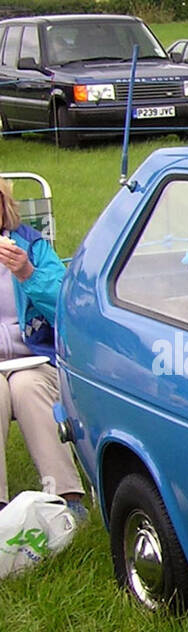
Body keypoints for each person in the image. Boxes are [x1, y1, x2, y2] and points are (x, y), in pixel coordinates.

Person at [0, 178, 87, 521]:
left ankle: (64, 499)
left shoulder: (31, 247)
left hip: (33, 358)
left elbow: (68, 307)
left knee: (29, 386)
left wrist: (27, 272)